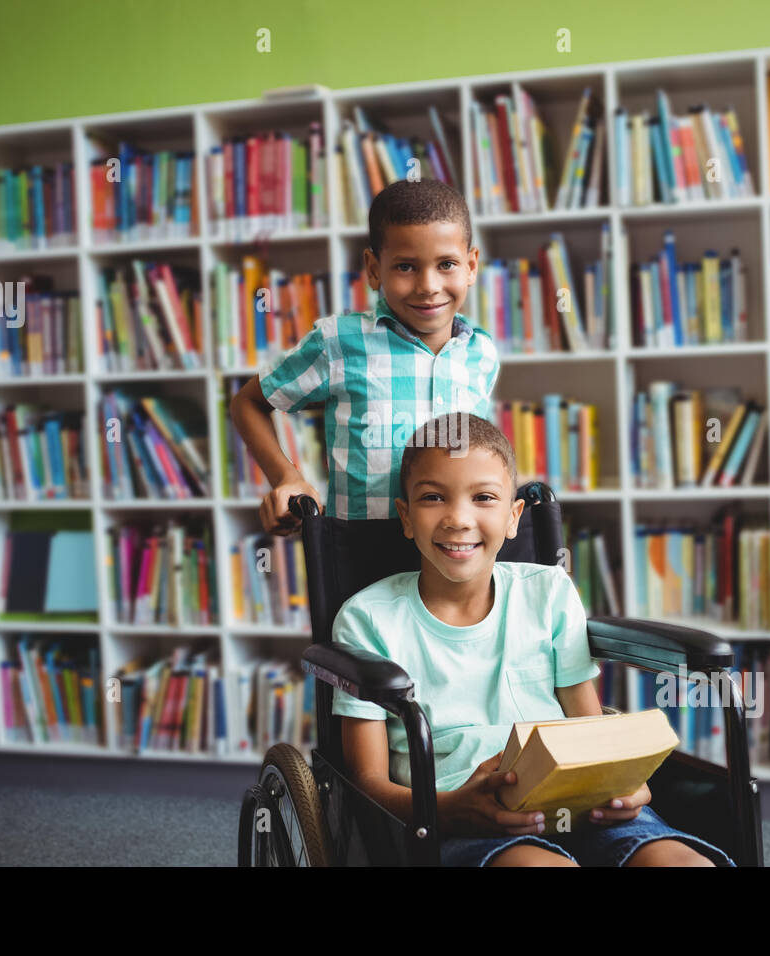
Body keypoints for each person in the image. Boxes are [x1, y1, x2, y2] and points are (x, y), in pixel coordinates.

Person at [330, 413, 736, 866]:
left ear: (513, 517)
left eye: (484, 498)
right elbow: (366, 783)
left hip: (582, 802)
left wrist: (622, 781)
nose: (459, 519)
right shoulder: (368, 619)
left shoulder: (548, 591)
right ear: (406, 517)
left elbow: (588, 726)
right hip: (464, 818)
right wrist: (449, 809)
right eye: (432, 498)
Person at [229, 179, 499, 533]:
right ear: (373, 269)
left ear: (471, 266)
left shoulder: (482, 354)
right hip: (360, 553)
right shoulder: (337, 342)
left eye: (446, 264)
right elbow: (247, 403)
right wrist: (287, 478)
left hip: (456, 552)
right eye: (406, 267)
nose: (428, 286)